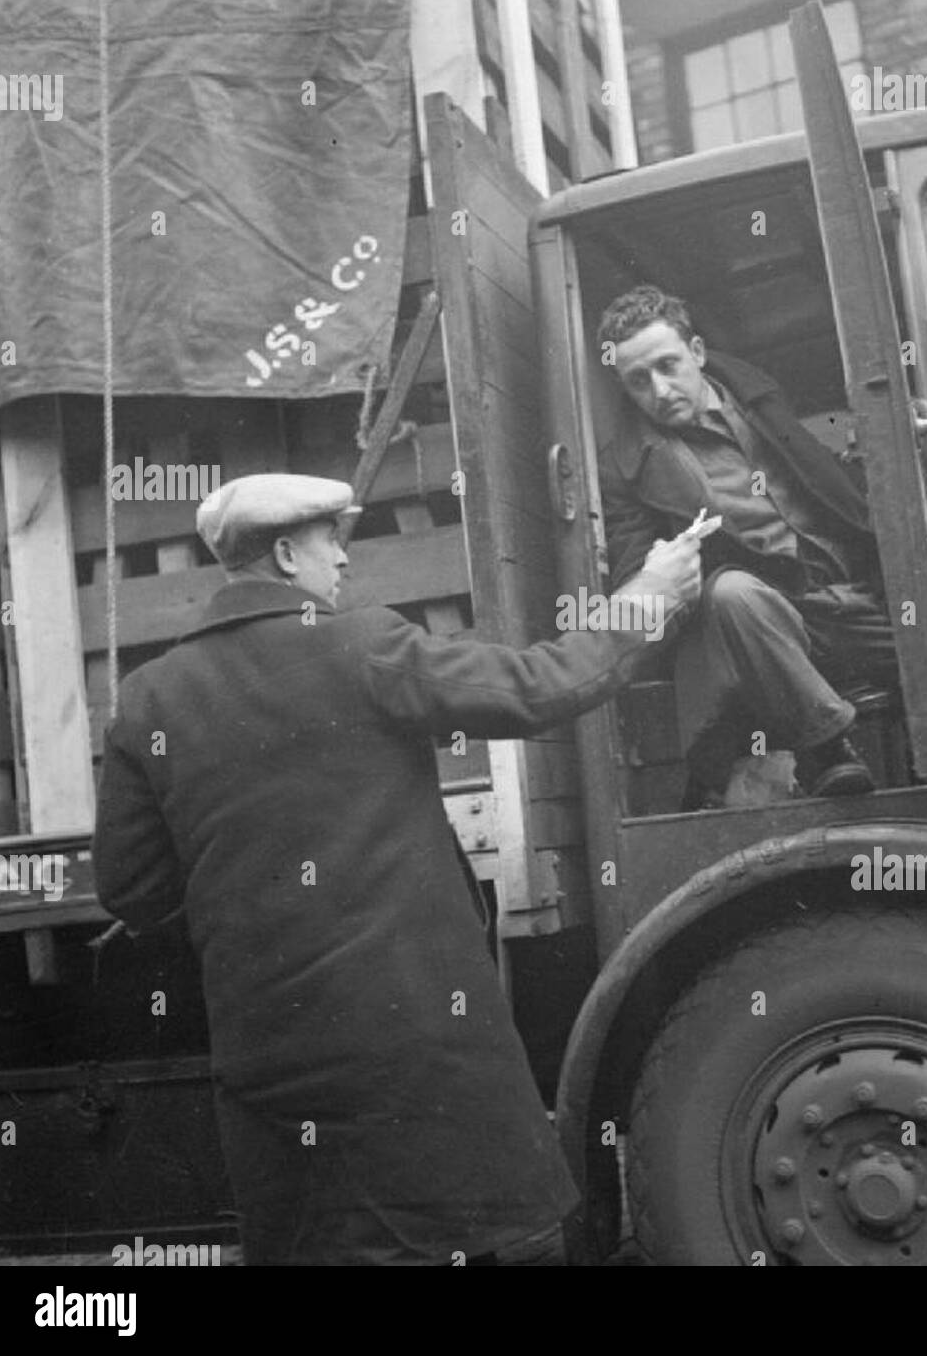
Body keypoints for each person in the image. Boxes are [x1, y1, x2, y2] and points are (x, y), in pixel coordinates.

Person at [92, 472, 700, 1265]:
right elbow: (535, 685)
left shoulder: (146, 700)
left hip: (267, 1057)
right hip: (413, 1043)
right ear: (284, 553)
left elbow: (131, 889)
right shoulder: (364, 645)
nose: (343, 563)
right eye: (330, 543)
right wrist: (648, 595)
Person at [596, 284, 899, 807]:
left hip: (855, 593)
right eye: (639, 380)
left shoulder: (757, 394)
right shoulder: (625, 466)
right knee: (733, 592)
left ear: (697, 353)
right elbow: (635, 584)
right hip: (767, 621)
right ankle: (828, 750)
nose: (660, 390)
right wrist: (669, 570)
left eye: (669, 365)